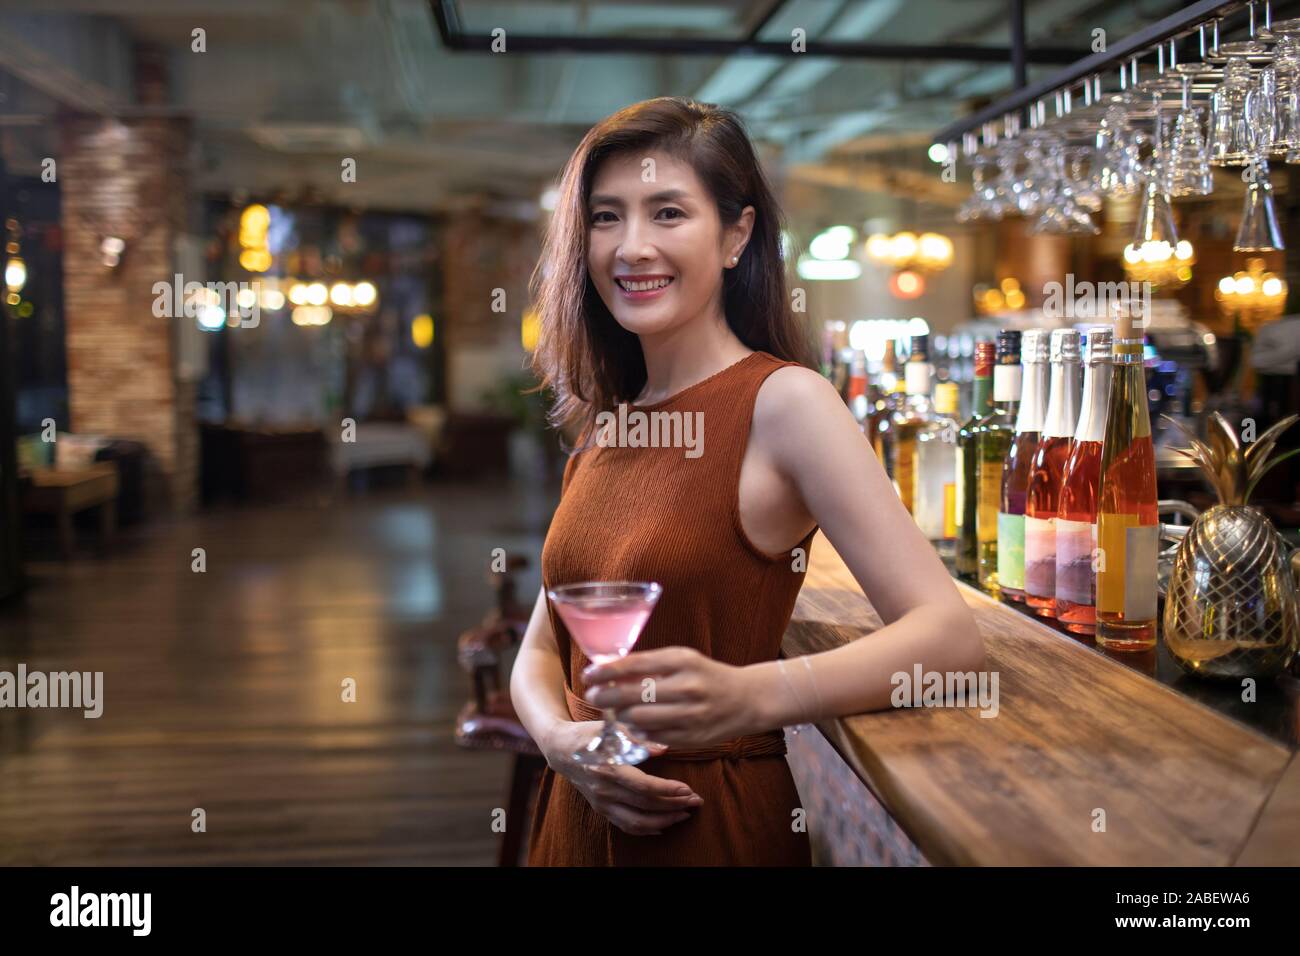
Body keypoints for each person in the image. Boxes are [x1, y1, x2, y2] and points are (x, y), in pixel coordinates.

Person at [510, 96, 984, 866]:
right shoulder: (605, 425)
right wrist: (561, 743)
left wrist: (755, 693)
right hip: (575, 818)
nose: (631, 247)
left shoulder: (786, 402)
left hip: (708, 828)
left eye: (668, 213)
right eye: (606, 217)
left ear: (736, 233)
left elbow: (951, 641)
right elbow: (540, 650)